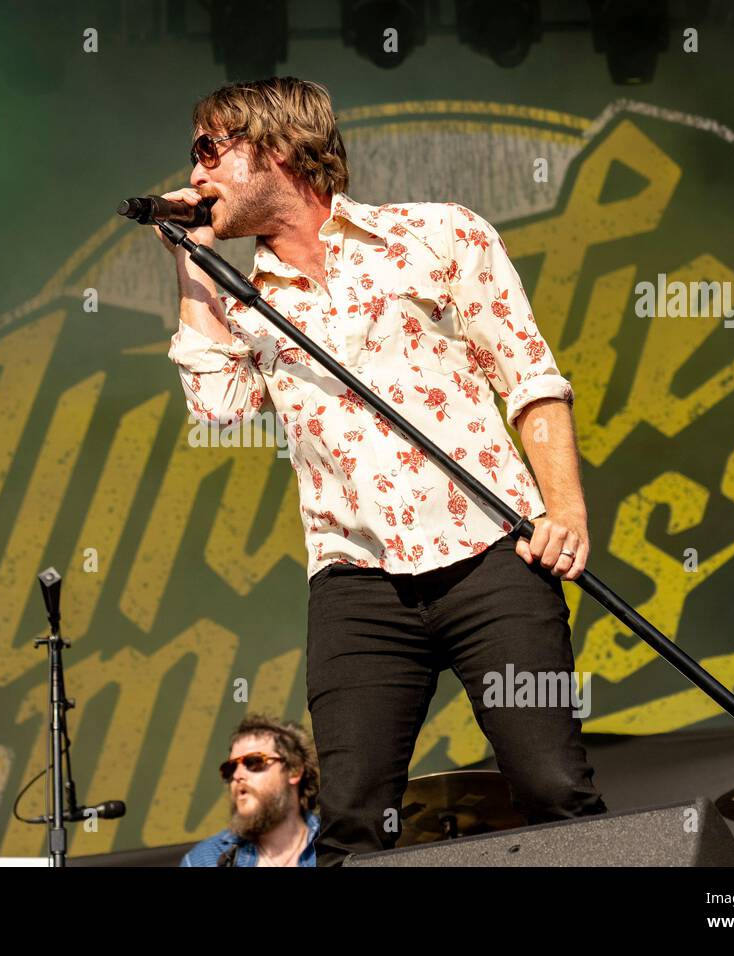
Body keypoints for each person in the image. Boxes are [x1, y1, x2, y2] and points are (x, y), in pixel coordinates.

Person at [158, 76, 606, 866]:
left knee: (551, 786)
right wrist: (192, 268)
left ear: (281, 148)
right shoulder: (245, 298)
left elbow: (531, 379)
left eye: (209, 151)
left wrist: (563, 511)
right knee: (352, 823)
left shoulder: (438, 235)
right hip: (356, 582)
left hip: (492, 556)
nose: (194, 175)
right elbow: (219, 411)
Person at [180, 715, 320, 867]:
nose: (237, 776)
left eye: (253, 762)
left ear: (294, 771)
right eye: (231, 768)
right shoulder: (202, 860)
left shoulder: (339, 844)